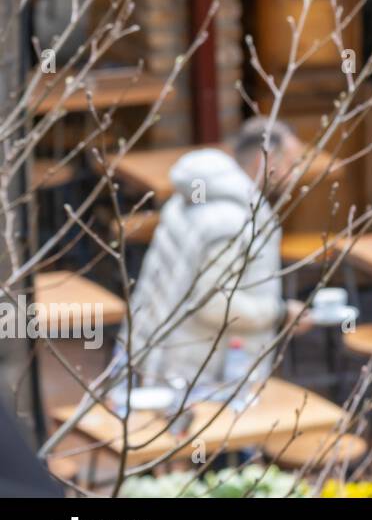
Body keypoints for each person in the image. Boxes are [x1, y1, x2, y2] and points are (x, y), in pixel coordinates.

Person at [119, 119, 309, 391]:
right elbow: (214, 303)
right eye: (291, 163)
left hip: (155, 352)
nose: (295, 174)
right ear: (263, 160)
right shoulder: (233, 221)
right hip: (195, 371)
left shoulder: (193, 196)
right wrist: (279, 313)